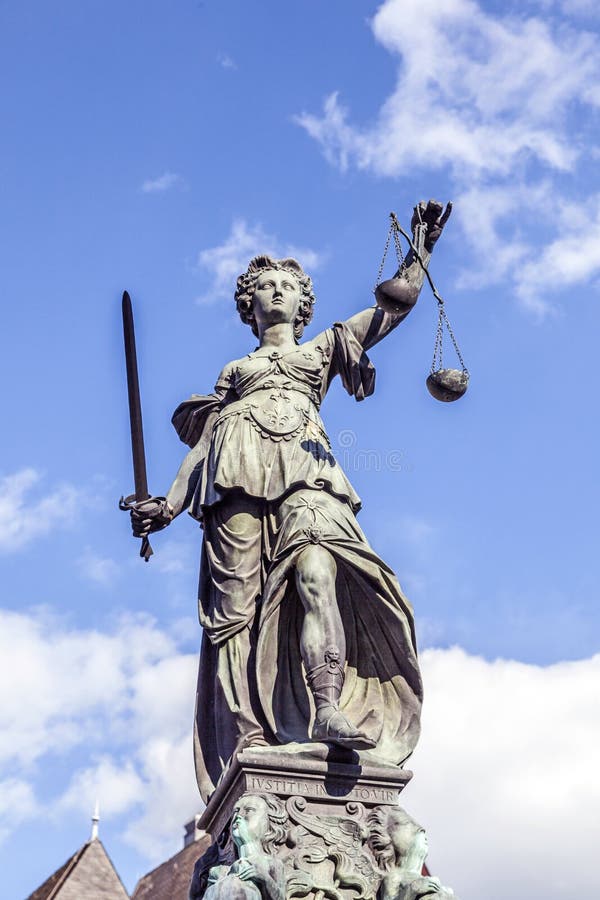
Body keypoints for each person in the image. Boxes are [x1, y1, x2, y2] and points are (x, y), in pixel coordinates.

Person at [128, 201, 452, 803]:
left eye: (286, 286)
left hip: (308, 472)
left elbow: (389, 308)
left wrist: (421, 250)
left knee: (320, 567)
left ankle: (327, 703)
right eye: (264, 287)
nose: (275, 293)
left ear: (302, 303)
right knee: (236, 613)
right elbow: (204, 445)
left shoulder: (323, 350)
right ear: (249, 306)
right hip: (234, 473)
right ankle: (248, 737)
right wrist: (169, 507)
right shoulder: (235, 370)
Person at [368, 806, 458, 900]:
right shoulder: (395, 877)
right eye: (417, 834)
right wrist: (412, 890)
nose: (425, 838)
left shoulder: (428, 880)